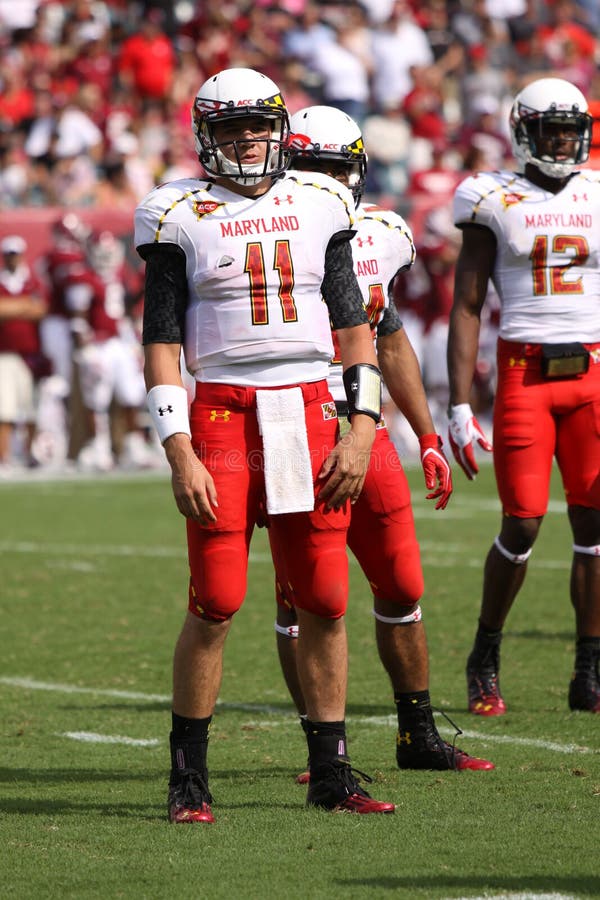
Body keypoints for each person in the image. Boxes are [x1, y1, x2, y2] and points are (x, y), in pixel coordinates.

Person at [134, 67, 396, 823]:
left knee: (323, 596)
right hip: (220, 413)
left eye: (258, 125)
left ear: (279, 129)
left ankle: (331, 772)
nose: (246, 139)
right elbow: (161, 343)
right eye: (229, 127)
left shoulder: (321, 202)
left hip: (311, 408)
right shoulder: (177, 211)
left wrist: (362, 426)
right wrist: (176, 446)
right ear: (204, 134)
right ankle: (188, 777)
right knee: (216, 598)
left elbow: (355, 332)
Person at [274, 104, 493, 774]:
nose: (329, 183)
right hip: (295, 426)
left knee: (400, 584)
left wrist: (427, 433)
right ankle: (325, 747)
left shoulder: (378, 235)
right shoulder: (261, 233)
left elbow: (386, 332)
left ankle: (416, 737)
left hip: (367, 430)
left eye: (338, 168)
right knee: (308, 599)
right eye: (314, 168)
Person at [447, 76, 600, 716]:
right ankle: (486, 652)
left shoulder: (597, 191)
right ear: (523, 131)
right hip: (525, 374)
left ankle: (588, 669)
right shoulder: (492, 196)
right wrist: (459, 405)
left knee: (594, 527)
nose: (564, 141)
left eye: (572, 129)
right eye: (552, 129)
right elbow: (466, 303)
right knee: (523, 522)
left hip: (594, 370)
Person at [0, 234, 49, 470]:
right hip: (5, 353)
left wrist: (12, 307)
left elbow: (40, 309)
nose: (11, 259)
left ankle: (30, 454)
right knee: (5, 409)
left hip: (30, 354)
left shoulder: (32, 280)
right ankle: (5, 457)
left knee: (30, 408)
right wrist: (24, 306)